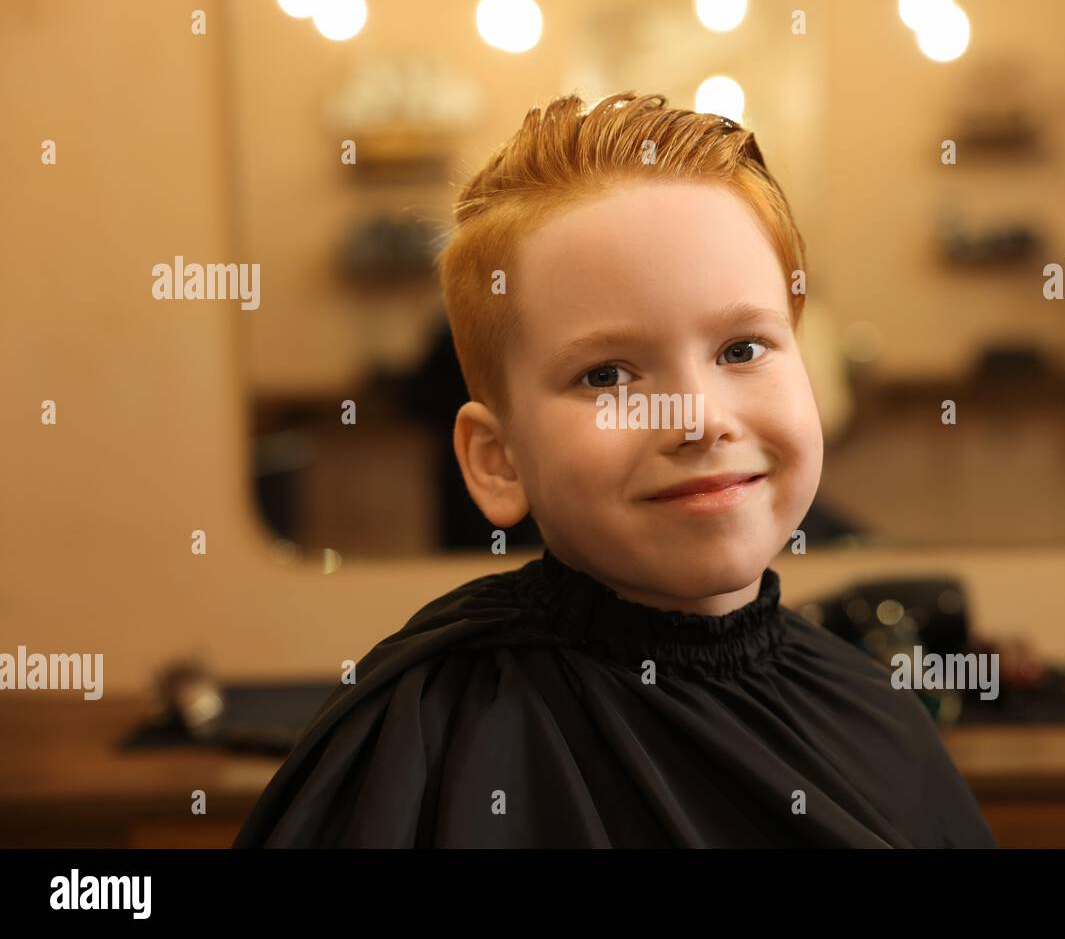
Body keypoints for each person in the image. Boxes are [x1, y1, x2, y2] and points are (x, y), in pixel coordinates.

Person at [233, 92, 997, 848]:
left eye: (741, 349)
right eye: (607, 376)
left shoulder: (879, 712)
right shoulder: (420, 742)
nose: (697, 419)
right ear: (497, 461)